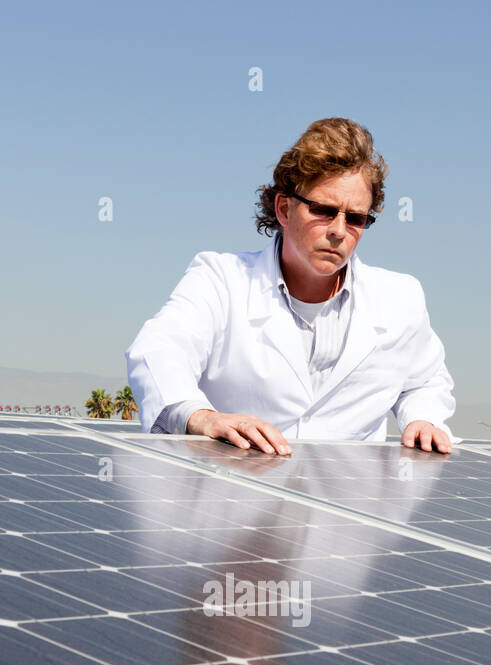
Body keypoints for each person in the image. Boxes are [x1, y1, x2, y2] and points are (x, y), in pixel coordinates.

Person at [126, 117, 454, 456]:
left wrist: (423, 418)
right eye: (324, 211)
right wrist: (200, 415)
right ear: (284, 208)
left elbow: (425, 380)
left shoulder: (401, 298)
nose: (339, 231)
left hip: (349, 501)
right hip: (231, 499)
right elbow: (159, 350)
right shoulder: (220, 279)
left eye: (356, 218)